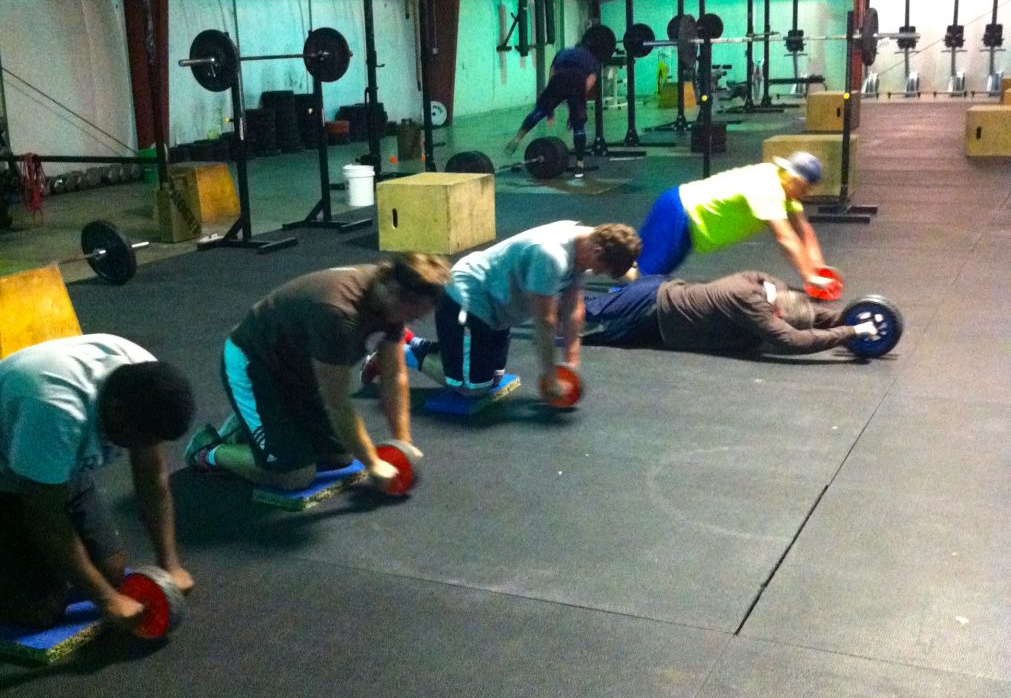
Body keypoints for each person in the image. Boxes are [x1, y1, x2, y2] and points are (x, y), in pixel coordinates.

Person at [185, 253, 450, 493]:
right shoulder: (338, 312)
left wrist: (402, 445)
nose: (410, 321)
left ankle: (258, 425)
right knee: (294, 475)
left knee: (341, 455)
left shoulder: (390, 299)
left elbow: (394, 378)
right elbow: (338, 403)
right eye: (412, 314)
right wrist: (372, 463)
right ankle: (209, 451)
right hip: (254, 366)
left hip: (303, 372)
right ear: (395, 290)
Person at [0, 334, 195, 630]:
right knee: (39, 611)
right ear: (117, 412)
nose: (146, 447)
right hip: (7, 475)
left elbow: (152, 479)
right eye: (144, 440)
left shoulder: (146, 381)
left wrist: (170, 564)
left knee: (112, 574)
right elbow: (46, 517)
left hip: (57, 466)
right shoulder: (56, 411)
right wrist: (106, 600)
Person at [363, 222, 642, 399]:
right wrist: (551, 378)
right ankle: (404, 351)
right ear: (596, 250)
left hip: (497, 309)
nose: (596, 273)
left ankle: (427, 344)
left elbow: (572, 311)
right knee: (471, 388)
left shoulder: (586, 241)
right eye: (600, 267)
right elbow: (545, 324)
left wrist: (570, 364)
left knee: (493, 379)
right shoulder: (551, 256)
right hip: (466, 301)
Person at [633, 151, 834, 292]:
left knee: (652, 279)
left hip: (689, 223)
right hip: (678, 213)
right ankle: (608, 310)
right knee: (643, 277)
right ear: (794, 179)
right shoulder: (767, 187)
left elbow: (804, 230)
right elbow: (785, 238)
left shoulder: (787, 188)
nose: (805, 195)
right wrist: (809, 277)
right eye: (805, 188)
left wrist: (819, 268)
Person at [582, 271, 881, 356]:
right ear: (775, 313)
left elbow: (804, 311)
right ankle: (541, 299)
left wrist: (847, 317)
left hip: (662, 308)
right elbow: (793, 340)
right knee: (585, 314)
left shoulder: (765, 285)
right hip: (651, 306)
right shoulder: (749, 304)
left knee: (593, 337)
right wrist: (851, 332)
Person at [504, 43, 599, 177]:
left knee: (539, 112)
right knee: (578, 125)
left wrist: (550, 111)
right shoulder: (591, 58)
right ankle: (579, 164)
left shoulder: (562, 52)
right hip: (577, 81)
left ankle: (517, 138)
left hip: (557, 80)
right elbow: (589, 81)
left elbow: (552, 74)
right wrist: (576, 109)